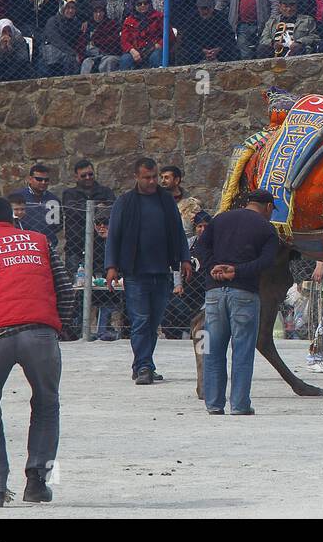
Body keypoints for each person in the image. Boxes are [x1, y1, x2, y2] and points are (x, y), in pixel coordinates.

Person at [0, 196, 77, 506]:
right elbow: (65, 289)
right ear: (11, 218)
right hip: (40, 332)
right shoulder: (40, 242)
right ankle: (37, 483)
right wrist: (56, 327)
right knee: (47, 403)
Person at [104, 158, 191, 385]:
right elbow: (114, 235)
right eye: (147, 178)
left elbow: (178, 232)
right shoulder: (125, 202)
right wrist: (111, 266)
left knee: (153, 323)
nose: (152, 181)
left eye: (154, 177)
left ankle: (144, 364)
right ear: (137, 177)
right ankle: (143, 366)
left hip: (162, 271)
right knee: (141, 321)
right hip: (135, 273)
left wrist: (184, 258)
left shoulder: (166, 200)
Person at [193, 190, 280, 415]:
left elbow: (200, 247)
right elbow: (267, 261)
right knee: (242, 351)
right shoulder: (267, 228)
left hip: (213, 294)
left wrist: (214, 266)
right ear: (268, 207)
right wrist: (237, 271)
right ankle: (240, 405)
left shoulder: (220, 219)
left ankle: (213, 403)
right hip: (244, 294)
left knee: (213, 349)